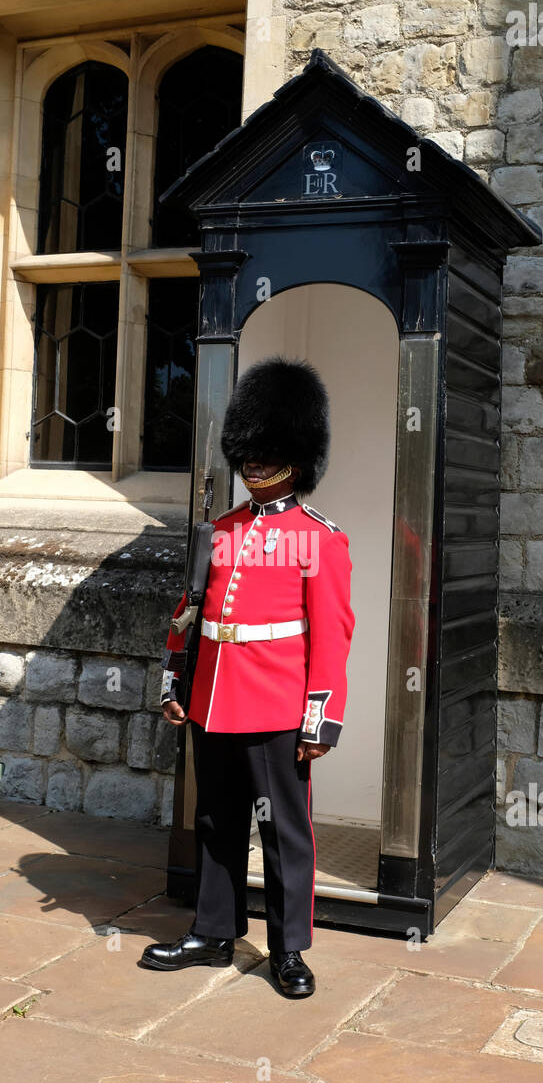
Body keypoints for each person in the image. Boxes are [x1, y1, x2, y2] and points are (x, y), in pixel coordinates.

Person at [139, 356, 355, 998]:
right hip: (214, 701)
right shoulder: (220, 531)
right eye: (248, 454)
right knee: (216, 820)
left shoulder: (320, 540)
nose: (254, 464)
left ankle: (288, 948)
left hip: (279, 706)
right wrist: (175, 683)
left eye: (266, 453)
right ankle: (213, 931)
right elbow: (190, 615)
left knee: (283, 832)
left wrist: (321, 718)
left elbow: (333, 637)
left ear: (295, 453)